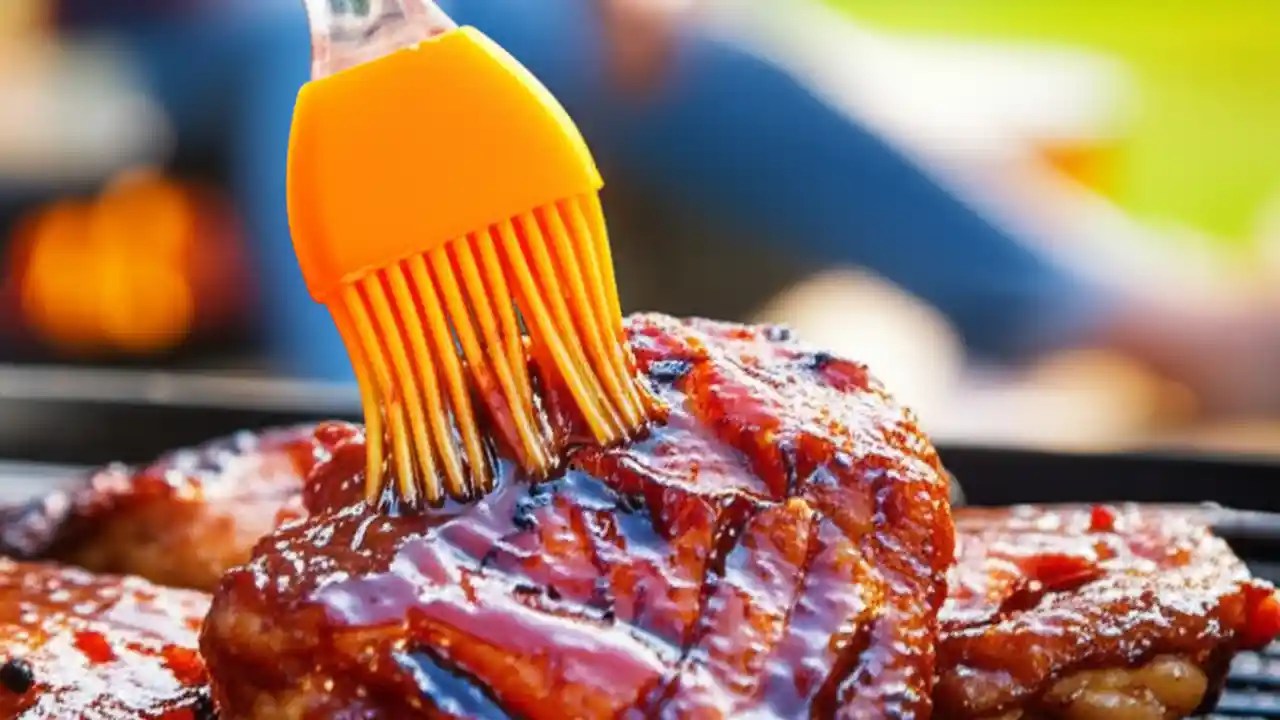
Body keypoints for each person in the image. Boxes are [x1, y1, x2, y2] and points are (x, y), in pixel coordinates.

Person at [52, 0, 1280, 412]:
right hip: (174, 33)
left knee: (689, 49)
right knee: (294, 48)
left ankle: (1116, 310)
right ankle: (391, 451)